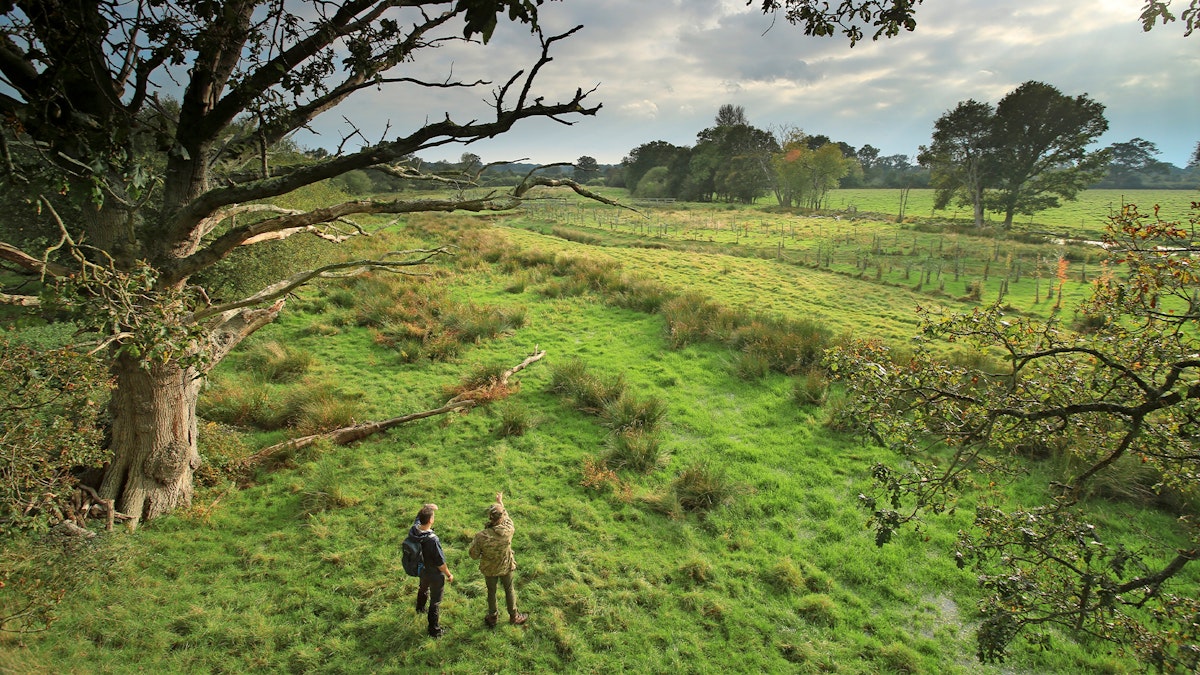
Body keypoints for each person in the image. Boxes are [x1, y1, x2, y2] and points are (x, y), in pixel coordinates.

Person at [468, 492, 528, 627]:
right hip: (506, 566)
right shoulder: (509, 530)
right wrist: (501, 502)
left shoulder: (481, 536)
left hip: (489, 569)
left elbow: (473, 555)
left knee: (491, 591)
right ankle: (514, 616)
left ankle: (493, 616)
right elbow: (506, 517)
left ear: (489, 517)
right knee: (509, 589)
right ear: (501, 517)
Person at [410, 503, 454, 637]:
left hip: (421, 569)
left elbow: (418, 518)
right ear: (430, 520)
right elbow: (440, 563)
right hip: (435, 574)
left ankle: (420, 608)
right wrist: (448, 574)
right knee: (435, 601)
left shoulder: (414, 530)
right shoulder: (432, 540)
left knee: (423, 588)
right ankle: (434, 630)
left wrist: (426, 507)